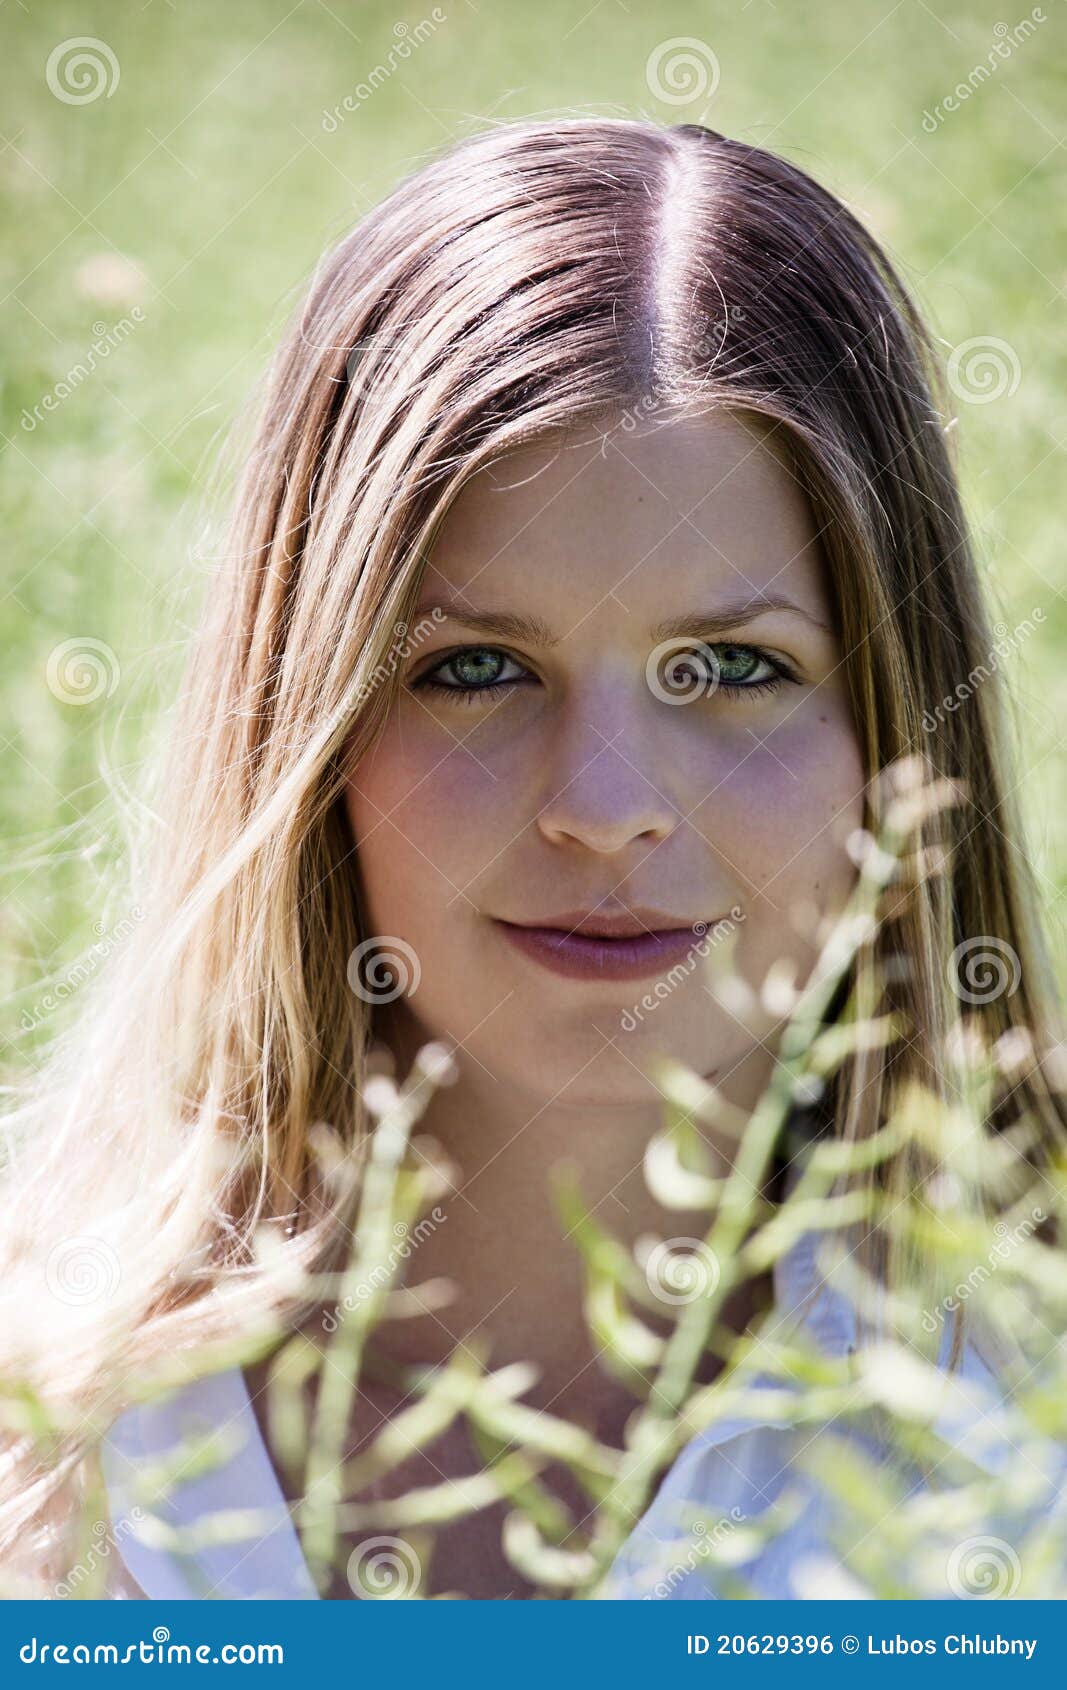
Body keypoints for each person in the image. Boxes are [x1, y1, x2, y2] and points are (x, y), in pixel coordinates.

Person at [2, 117, 1063, 1601]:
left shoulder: (1029, 1433)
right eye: (477, 669)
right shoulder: (47, 1439)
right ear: (304, 728)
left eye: (735, 666)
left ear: (898, 727)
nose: (607, 803)